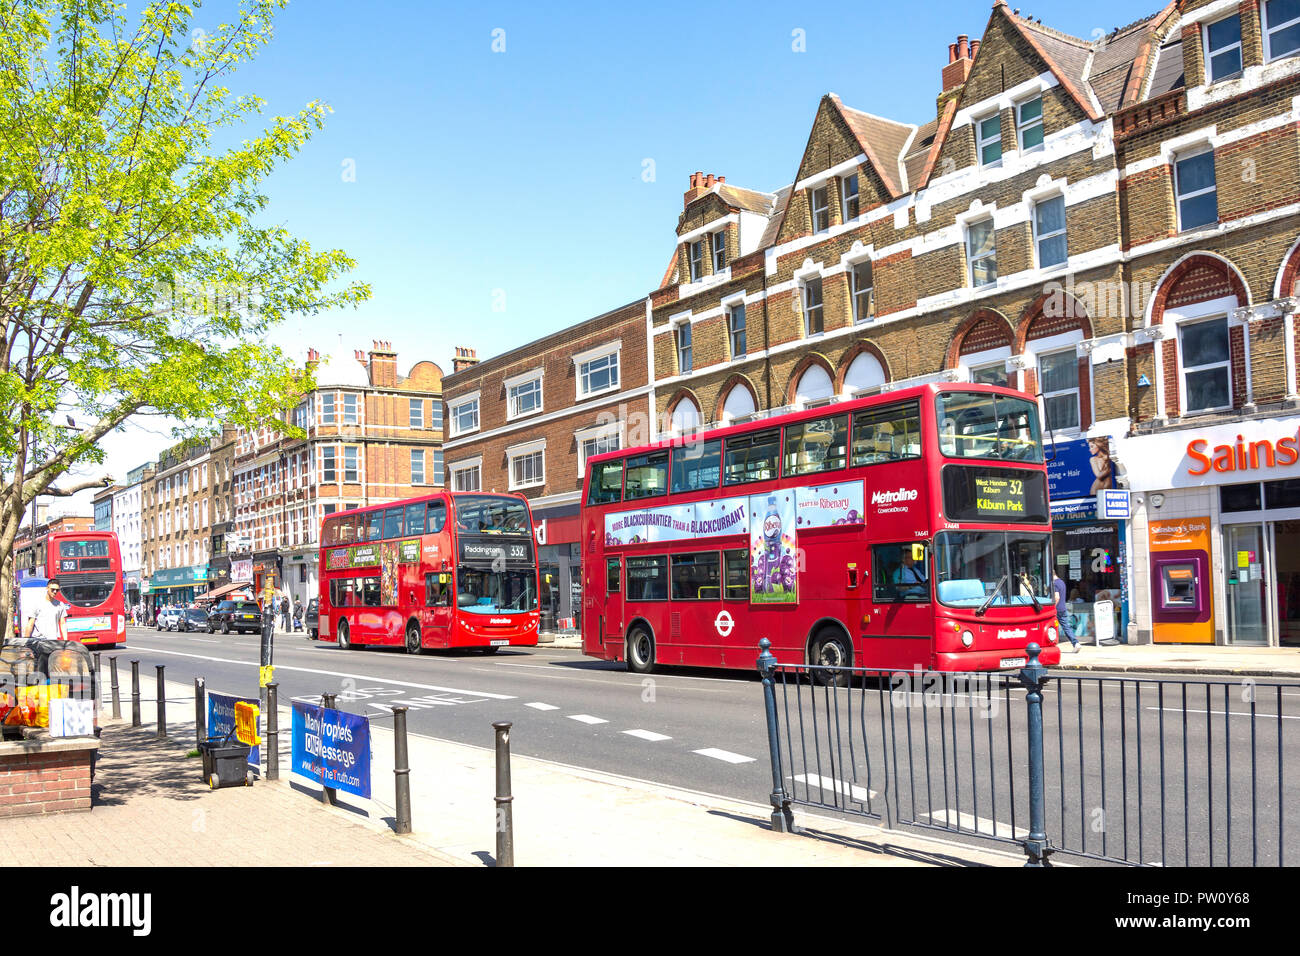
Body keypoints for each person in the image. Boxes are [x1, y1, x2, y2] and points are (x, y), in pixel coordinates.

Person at [1053, 568, 1079, 651]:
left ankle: (1050, 643)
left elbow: (1057, 597)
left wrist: (1053, 606)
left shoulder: (1055, 584)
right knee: (1066, 626)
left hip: (1056, 609)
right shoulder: (1061, 582)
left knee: (1051, 626)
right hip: (1063, 607)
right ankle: (1075, 643)